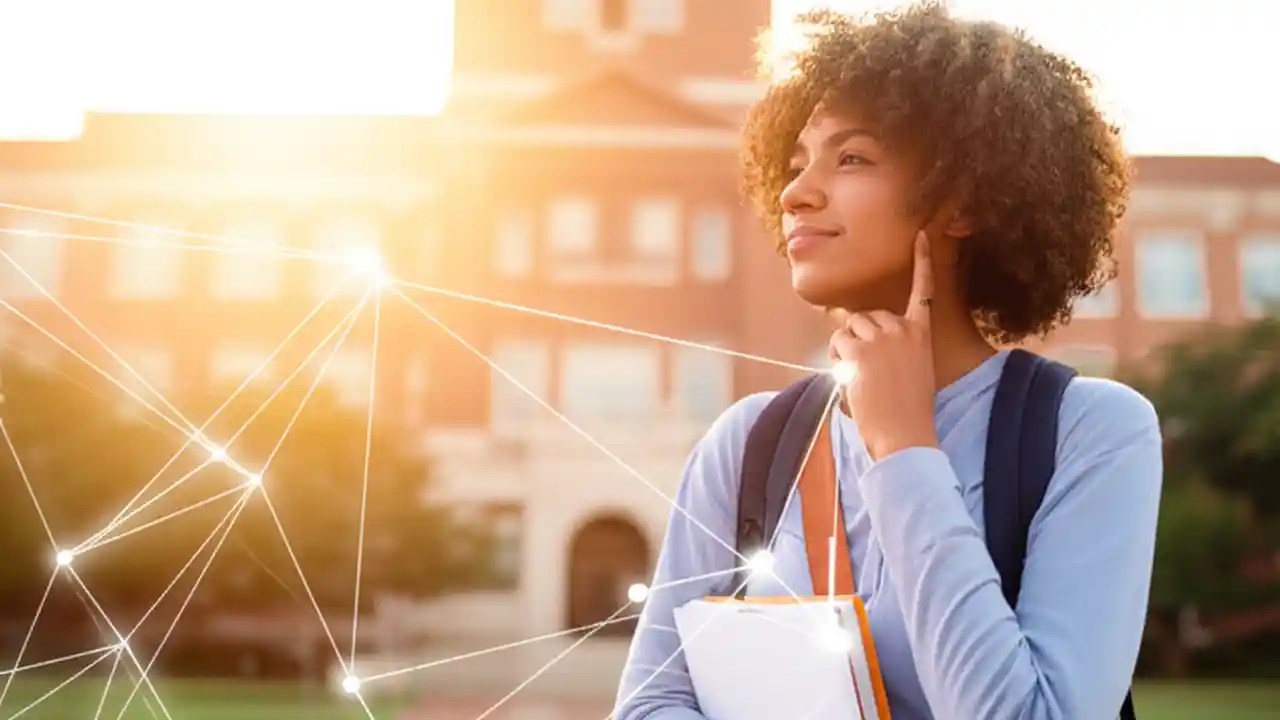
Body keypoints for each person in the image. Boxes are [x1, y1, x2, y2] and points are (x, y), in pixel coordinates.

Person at [613, 2, 1162, 719]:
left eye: (851, 159)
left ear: (962, 202)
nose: (795, 193)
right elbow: (650, 703)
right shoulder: (748, 445)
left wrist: (905, 448)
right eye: (794, 164)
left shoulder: (1087, 434)